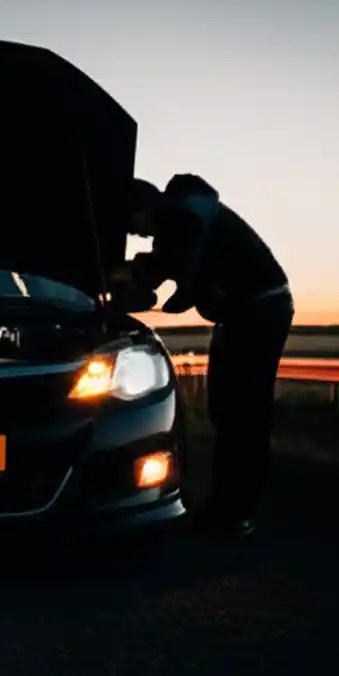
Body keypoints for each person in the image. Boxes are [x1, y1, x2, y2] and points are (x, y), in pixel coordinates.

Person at [127, 175, 294, 537]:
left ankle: (235, 512)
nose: (137, 235)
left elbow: (163, 268)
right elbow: (176, 273)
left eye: (133, 226)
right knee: (230, 409)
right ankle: (229, 507)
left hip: (257, 311)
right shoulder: (187, 216)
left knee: (241, 412)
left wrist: (132, 279)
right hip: (251, 310)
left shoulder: (180, 221)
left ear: (144, 208)